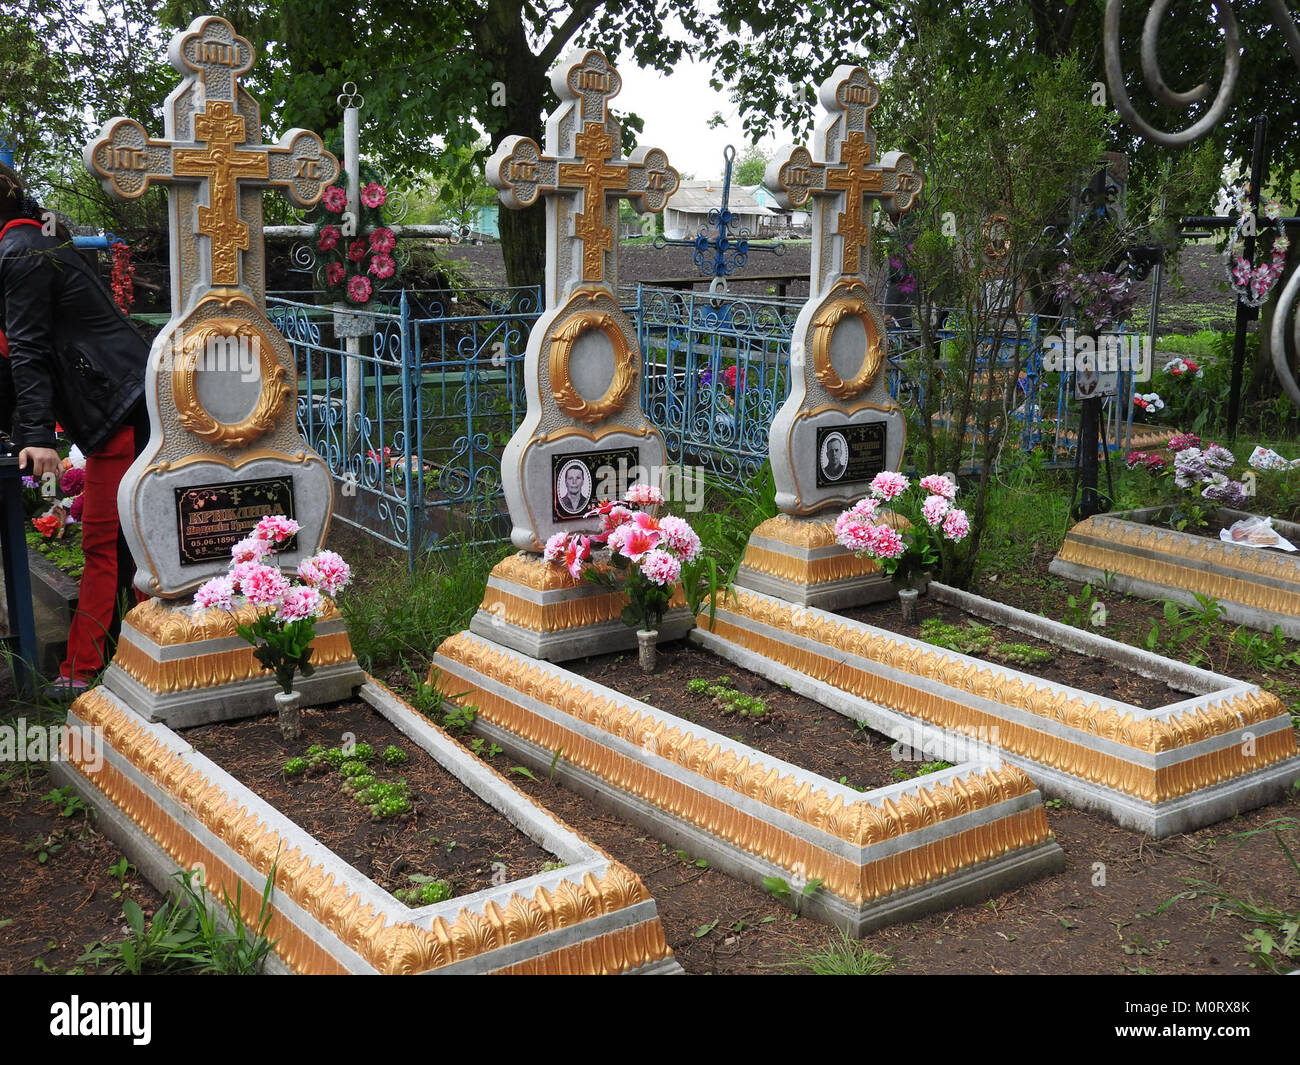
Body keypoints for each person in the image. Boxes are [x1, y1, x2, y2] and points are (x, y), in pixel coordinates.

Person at [0, 162, 150, 697]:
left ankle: (84, 671)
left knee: (106, 540)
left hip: (119, 403)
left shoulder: (22, 252)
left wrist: (37, 436)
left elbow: (28, 350)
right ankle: (139, 652)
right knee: (128, 539)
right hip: (110, 400)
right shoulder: (24, 245)